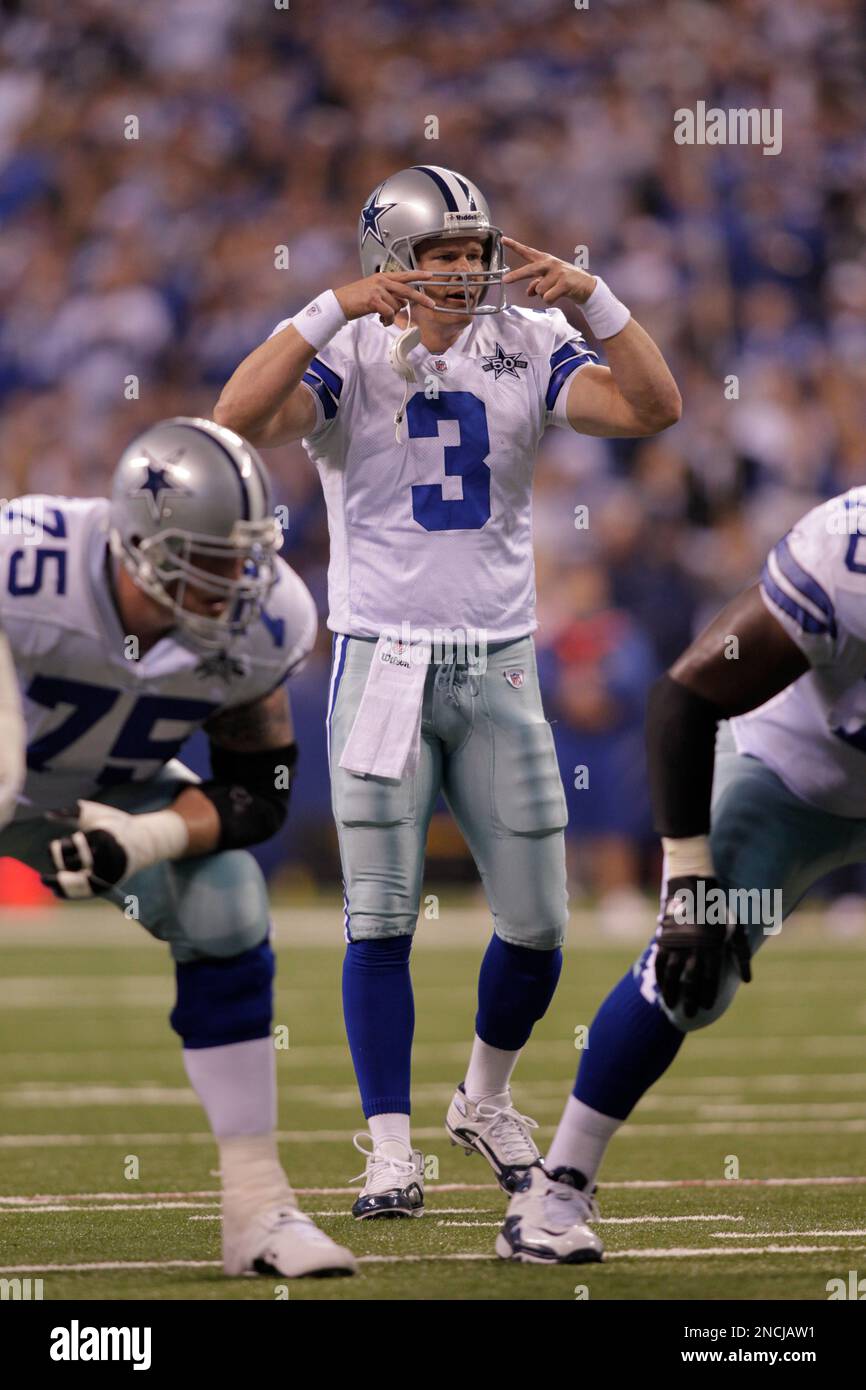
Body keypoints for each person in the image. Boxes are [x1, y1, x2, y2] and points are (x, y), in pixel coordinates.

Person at [215, 164, 681, 1219]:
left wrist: (594, 301)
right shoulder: (346, 348)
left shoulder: (523, 341)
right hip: (382, 656)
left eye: (475, 252)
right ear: (393, 263)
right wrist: (327, 303)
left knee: (537, 923)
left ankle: (481, 1096)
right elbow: (236, 413)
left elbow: (654, 406)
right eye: (443, 254)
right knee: (378, 918)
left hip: (502, 659)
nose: (466, 270)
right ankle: (387, 1147)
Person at [0, 416, 357, 1278]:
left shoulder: (266, 619)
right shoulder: (27, 565)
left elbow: (259, 790)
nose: (238, 581)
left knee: (227, 896)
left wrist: (145, 837)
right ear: (135, 542)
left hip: (97, 789)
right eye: (211, 559)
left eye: (246, 556)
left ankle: (256, 1209)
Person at [498, 487, 866, 1262]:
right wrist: (690, 881)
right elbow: (684, 696)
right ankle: (554, 1194)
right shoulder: (847, 554)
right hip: (790, 779)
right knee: (691, 972)